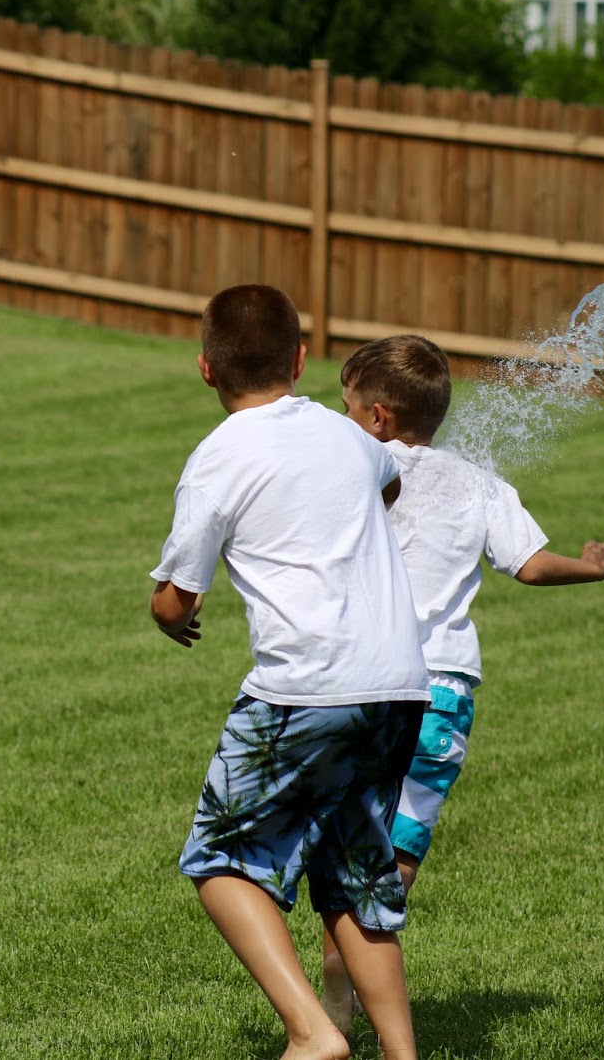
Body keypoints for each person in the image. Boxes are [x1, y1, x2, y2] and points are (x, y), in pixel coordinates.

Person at [150, 284, 430, 1060]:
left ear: (205, 369)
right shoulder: (344, 436)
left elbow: (179, 601)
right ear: (303, 360)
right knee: (356, 875)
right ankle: (402, 1056)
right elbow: (390, 480)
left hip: (306, 690)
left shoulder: (218, 459)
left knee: (221, 859)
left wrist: (166, 618)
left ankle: (312, 1033)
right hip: (399, 686)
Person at [323, 334, 604, 1034]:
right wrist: (590, 566)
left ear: (377, 419)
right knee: (398, 852)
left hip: (366, 688)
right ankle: (373, 951)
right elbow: (532, 566)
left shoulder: (351, 467)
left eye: (346, 406)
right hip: (443, 697)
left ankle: (337, 995)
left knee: (345, 846)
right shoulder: (479, 482)